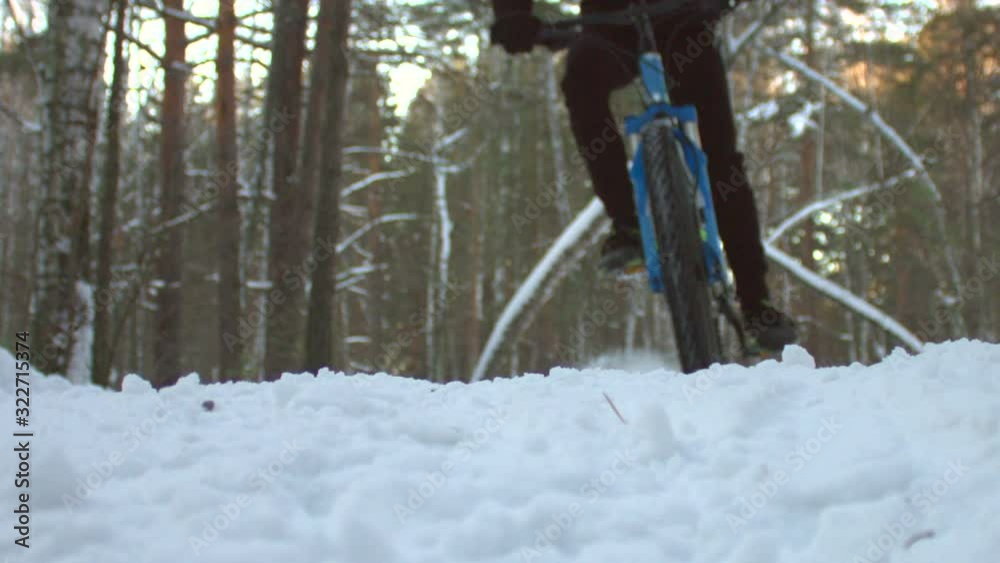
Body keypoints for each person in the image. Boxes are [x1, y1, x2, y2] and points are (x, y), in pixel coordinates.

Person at [489, 0, 797, 351]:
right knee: (580, 81)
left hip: (685, 19)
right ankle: (628, 224)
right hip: (609, 26)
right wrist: (512, 16)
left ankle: (757, 305)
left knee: (720, 159)